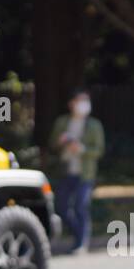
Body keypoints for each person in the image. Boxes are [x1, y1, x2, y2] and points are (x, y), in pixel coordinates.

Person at [49, 89, 104, 254]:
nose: (84, 104)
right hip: (66, 170)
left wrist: (81, 149)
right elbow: (52, 144)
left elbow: (99, 150)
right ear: (71, 104)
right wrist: (61, 142)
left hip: (85, 172)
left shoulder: (94, 125)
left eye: (86, 100)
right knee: (62, 207)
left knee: (81, 206)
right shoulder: (62, 122)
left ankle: (82, 242)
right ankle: (77, 234)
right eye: (80, 100)